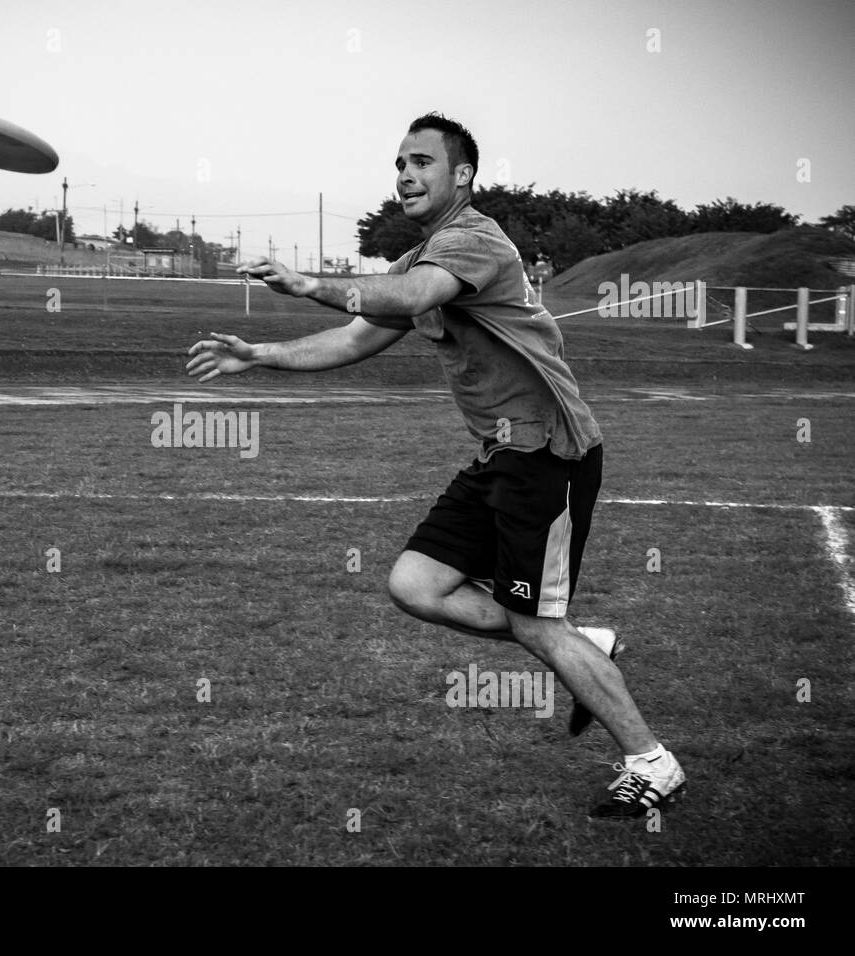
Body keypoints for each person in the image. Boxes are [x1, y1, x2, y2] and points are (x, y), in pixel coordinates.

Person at [185, 112, 685, 819]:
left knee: (537, 625)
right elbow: (357, 338)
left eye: (421, 161)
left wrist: (306, 282)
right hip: (499, 456)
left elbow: (414, 299)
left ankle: (652, 762)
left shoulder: (472, 241)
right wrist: (261, 355)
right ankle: (589, 643)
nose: (405, 175)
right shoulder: (416, 260)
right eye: (398, 164)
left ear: (462, 176)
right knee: (415, 584)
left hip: (548, 453)